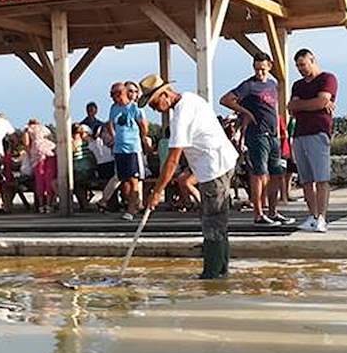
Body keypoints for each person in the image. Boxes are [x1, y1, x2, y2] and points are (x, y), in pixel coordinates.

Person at [141, 75, 240, 279]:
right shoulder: (190, 98)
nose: (153, 109)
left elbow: (172, 159)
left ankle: (212, 274)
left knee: (212, 222)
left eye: (154, 103)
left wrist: (157, 191)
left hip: (214, 168)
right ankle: (221, 268)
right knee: (217, 220)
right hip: (217, 162)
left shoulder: (181, 116)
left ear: (166, 95)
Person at [220, 52, 292, 226]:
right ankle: (258, 213)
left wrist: (280, 130)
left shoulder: (273, 85)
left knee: (276, 173)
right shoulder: (248, 86)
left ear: (269, 66)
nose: (260, 72)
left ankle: (273, 211)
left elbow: (274, 109)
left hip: (273, 134)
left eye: (263, 69)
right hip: (257, 134)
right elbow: (225, 99)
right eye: (257, 69)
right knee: (259, 173)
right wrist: (246, 112)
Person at [287, 49, 338, 232]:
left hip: (318, 131)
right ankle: (313, 215)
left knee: (321, 177)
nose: (300, 69)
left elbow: (321, 101)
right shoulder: (298, 85)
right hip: (300, 133)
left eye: (303, 64)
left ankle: (322, 217)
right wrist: (313, 103)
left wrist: (306, 104)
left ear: (312, 60)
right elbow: (291, 107)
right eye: (298, 66)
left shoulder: (327, 79)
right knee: (306, 179)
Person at [108, 81, 150, 222]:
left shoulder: (135, 108)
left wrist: (142, 138)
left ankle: (132, 209)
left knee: (134, 180)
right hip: (119, 149)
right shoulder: (114, 108)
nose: (113, 97)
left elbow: (144, 126)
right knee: (123, 180)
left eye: (115, 94)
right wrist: (114, 137)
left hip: (132, 148)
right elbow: (110, 123)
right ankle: (132, 204)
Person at [22, 119, 58, 213]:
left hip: (36, 153)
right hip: (50, 150)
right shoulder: (44, 128)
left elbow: (26, 143)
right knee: (49, 178)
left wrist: (29, 152)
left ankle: (41, 205)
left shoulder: (28, 129)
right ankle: (49, 204)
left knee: (40, 179)